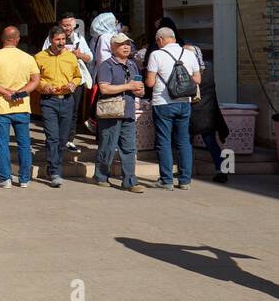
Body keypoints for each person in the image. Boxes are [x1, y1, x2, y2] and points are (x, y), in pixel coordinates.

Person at [144, 26, 202, 190]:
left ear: (160, 40)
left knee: (164, 141)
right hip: (184, 102)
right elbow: (197, 79)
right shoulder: (189, 54)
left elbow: (150, 82)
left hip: (163, 103)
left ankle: (166, 180)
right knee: (184, 141)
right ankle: (185, 180)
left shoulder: (156, 54)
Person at [0, 26, 40, 187]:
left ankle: (5, 178)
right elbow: (35, 80)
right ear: (17, 39)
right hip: (22, 107)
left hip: (1, 108)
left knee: (3, 144)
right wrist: (19, 94)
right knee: (24, 144)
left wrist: (5, 93)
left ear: (2, 39)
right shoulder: (28, 58)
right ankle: (24, 179)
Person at [93, 33, 145, 192]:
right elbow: (104, 88)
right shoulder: (106, 65)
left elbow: (139, 87)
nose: (126, 47)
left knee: (129, 148)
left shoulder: (132, 64)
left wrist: (140, 91)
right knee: (107, 146)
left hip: (128, 111)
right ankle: (101, 176)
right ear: (113, 47)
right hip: (111, 112)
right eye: (122, 44)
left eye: (128, 44)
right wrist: (129, 87)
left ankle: (130, 181)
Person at [35, 25, 82, 188]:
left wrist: (73, 84)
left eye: (63, 39)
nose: (61, 42)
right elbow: (34, 78)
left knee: (63, 139)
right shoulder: (40, 57)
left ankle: (53, 165)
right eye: (58, 39)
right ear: (50, 40)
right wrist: (43, 85)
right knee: (52, 137)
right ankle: (55, 171)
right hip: (49, 101)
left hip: (67, 101)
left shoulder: (70, 57)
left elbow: (78, 76)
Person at [43, 12, 92, 153]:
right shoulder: (50, 39)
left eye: (70, 25)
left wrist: (79, 55)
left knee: (73, 111)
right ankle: (53, 139)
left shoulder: (79, 39)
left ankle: (69, 140)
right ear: (60, 25)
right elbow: (43, 56)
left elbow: (90, 57)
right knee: (54, 111)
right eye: (64, 25)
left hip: (74, 81)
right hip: (55, 80)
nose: (67, 28)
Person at [185, 42, 230, 183]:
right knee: (211, 142)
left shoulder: (189, 69)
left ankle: (185, 171)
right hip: (207, 113)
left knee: (185, 142)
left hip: (193, 111)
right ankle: (222, 170)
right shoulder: (208, 67)